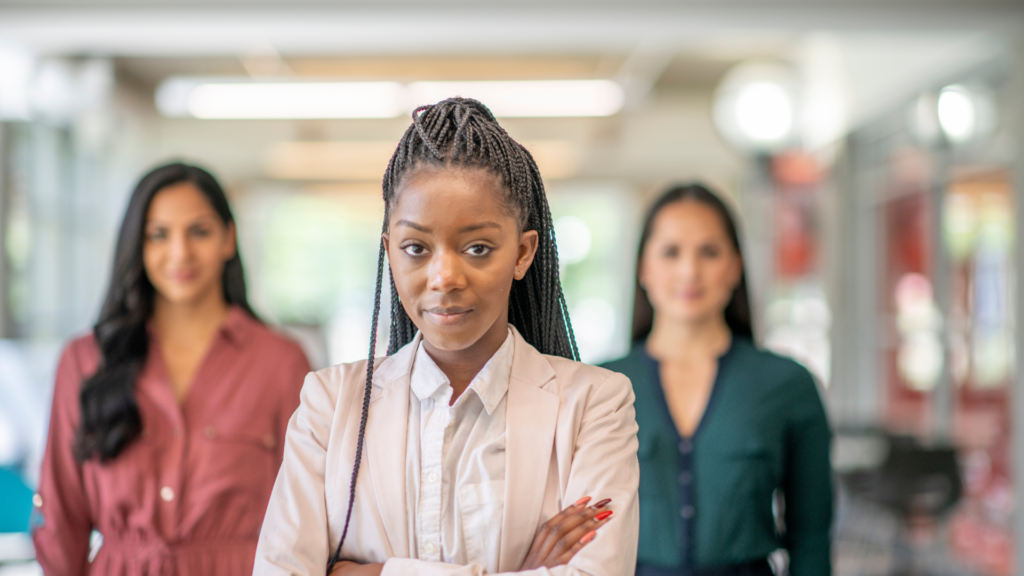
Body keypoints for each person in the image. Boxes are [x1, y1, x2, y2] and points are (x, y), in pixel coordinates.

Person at [254, 98, 640, 576]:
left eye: (478, 248)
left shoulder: (595, 403)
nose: (444, 277)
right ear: (390, 251)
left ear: (522, 253)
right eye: (415, 248)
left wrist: (368, 572)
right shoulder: (330, 406)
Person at [33, 163, 311, 575]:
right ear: (137, 246)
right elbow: (61, 516)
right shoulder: (85, 361)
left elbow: (308, 515)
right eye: (158, 235)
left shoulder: (282, 363)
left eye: (198, 231)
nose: (180, 252)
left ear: (228, 238)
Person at [601, 184, 832, 576]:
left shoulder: (789, 385)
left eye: (709, 252)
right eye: (671, 252)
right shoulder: (599, 385)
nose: (690, 270)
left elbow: (811, 539)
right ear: (644, 267)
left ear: (735, 266)